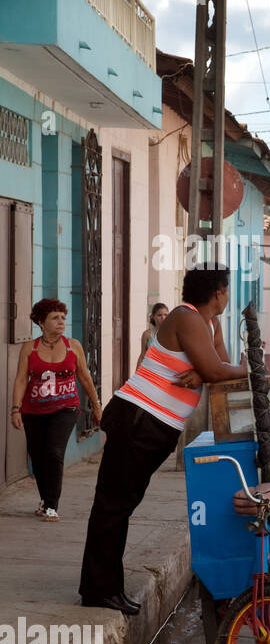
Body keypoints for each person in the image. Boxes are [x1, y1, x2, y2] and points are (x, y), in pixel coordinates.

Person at [78, 262, 245, 614]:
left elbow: (218, 371)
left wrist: (204, 373)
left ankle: (106, 585)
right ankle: (98, 589)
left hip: (154, 427)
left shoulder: (208, 324)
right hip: (139, 419)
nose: (227, 297)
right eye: (226, 290)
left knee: (122, 504)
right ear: (218, 292)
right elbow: (222, 370)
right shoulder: (185, 317)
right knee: (113, 505)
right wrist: (241, 368)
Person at [9, 299, 103, 522]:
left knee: (54, 450)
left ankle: (52, 505)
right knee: (38, 456)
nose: (61, 321)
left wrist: (97, 406)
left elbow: (86, 378)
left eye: (63, 317)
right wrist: (16, 409)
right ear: (41, 322)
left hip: (66, 407)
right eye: (55, 317)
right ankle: (44, 500)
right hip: (34, 410)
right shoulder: (29, 348)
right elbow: (21, 379)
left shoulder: (73, 346)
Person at [135, 302, 169, 371]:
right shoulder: (147, 334)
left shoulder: (171, 333)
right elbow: (142, 355)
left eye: (165, 315)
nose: (163, 318)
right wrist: (137, 372)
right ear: (153, 316)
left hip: (166, 371)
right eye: (159, 315)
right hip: (150, 370)